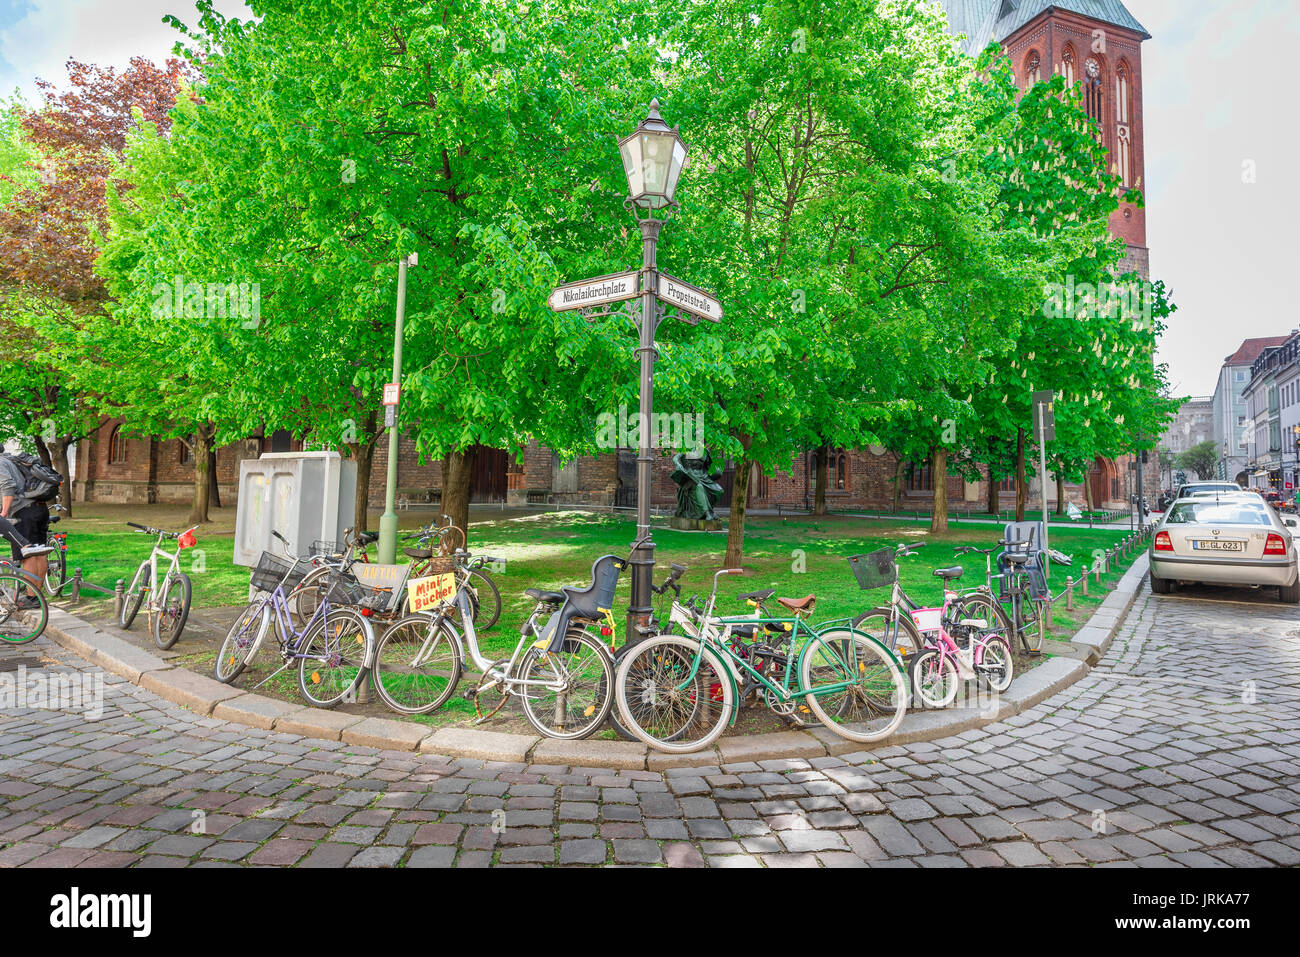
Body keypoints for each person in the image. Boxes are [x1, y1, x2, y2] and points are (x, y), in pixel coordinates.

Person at [0, 455, 55, 607]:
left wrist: (3, 514)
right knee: (39, 552)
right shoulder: (10, 460)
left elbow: (7, 486)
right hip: (38, 508)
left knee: (27, 553)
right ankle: (37, 595)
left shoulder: (0, 463)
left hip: (23, 512)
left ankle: (32, 597)